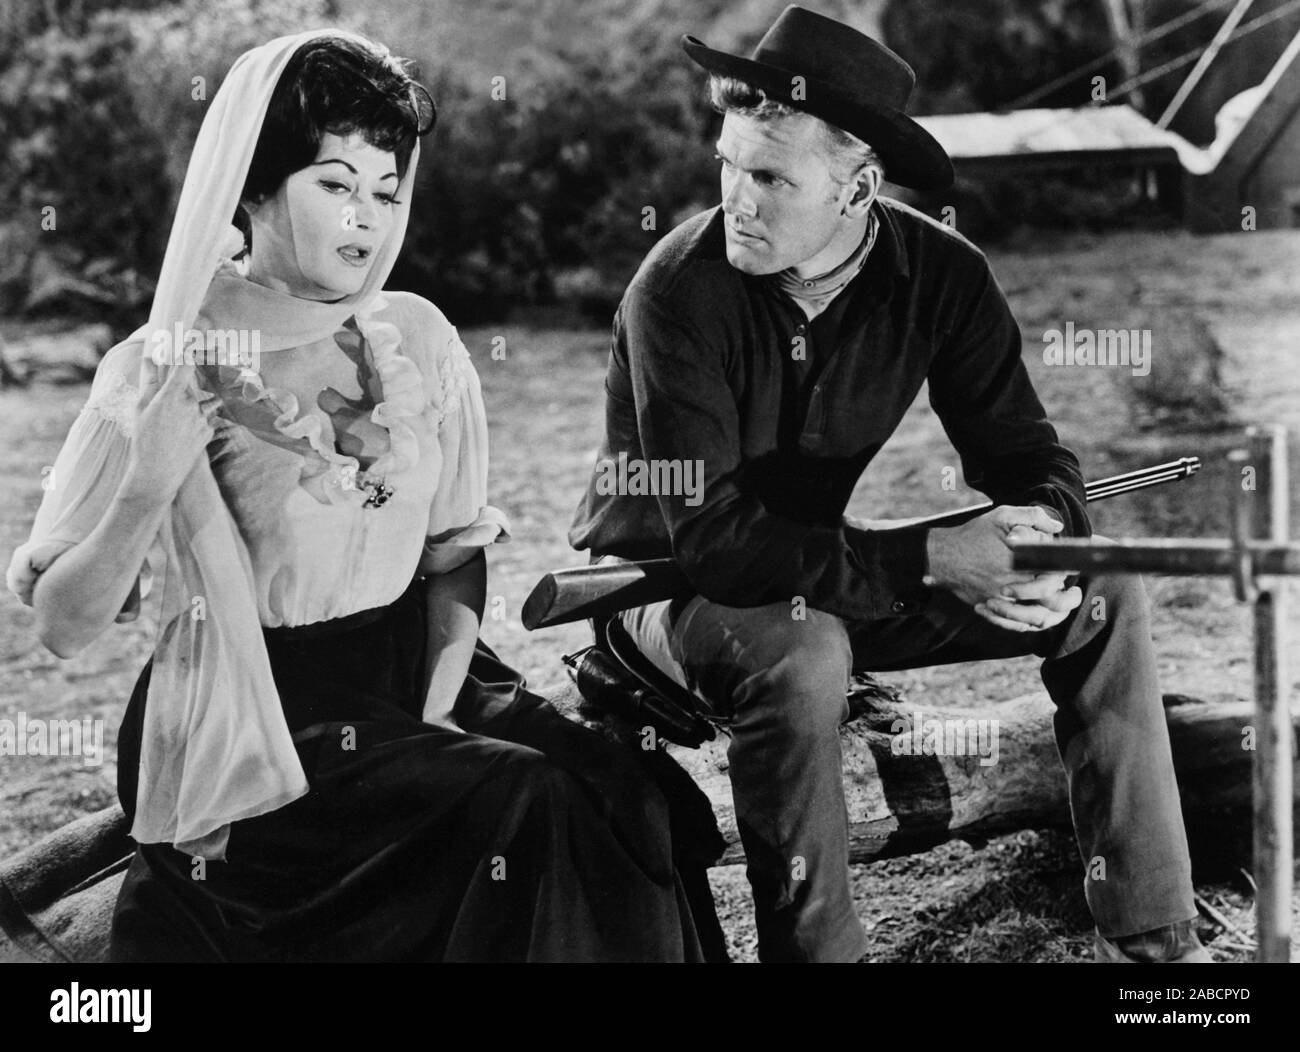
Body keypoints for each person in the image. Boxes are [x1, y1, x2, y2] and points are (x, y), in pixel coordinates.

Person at [6, 28, 723, 962]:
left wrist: (436, 703)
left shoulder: (416, 337)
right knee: (522, 802)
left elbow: (454, 557)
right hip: (261, 715)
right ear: (255, 188)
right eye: (335, 185)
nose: (367, 221)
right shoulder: (160, 368)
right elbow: (63, 625)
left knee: (631, 791)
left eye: (386, 192)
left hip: (418, 674)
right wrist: (144, 484)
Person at [569, 5, 1208, 964]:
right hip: (666, 592)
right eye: (728, 167)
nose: (736, 198)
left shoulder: (942, 275)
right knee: (803, 649)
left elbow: (1032, 457)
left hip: (826, 578)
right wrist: (932, 557)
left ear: (860, 186)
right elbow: (716, 543)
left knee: (1102, 580)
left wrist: (1037, 528)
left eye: (770, 177)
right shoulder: (677, 293)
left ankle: (1160, 944)